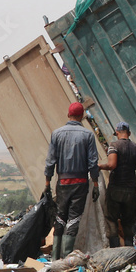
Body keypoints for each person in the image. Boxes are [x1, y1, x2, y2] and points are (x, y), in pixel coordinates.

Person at [44, 102, 99, 260]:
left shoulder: (57, 134)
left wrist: (47, 184)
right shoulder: (87, 135)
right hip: (80, 182)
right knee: (74, 218)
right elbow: (93, 164)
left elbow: (50, 161)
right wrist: (95, 184)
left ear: (68, 115)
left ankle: (55, 257)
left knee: (60, 217)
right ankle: (66, 257)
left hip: (62, 183)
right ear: (81, 116)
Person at [98, 121, 136, 247]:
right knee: (128, 221)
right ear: (129, 133)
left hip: (115, 188)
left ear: (117, 132)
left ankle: (115, 249)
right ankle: (129, 249)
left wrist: (101, 166)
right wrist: (134, 185)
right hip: (130, 189)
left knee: (111, 219)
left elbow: (112, 165)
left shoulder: (114, 145)